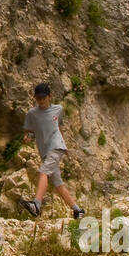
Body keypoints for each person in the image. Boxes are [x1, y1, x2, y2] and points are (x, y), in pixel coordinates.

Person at [21, 83, 84, 219]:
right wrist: (28, 137)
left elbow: (59, 127)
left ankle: (36, 204)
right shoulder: (32, 114)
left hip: (56, 147)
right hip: (45, 151)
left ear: (50, 97)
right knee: (58, 183)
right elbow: (32, 132)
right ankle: (78, 210)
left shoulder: (58, 109)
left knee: (43, 172)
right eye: (38, 98)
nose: (41, 101)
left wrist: (64, 145)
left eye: (43, 98)